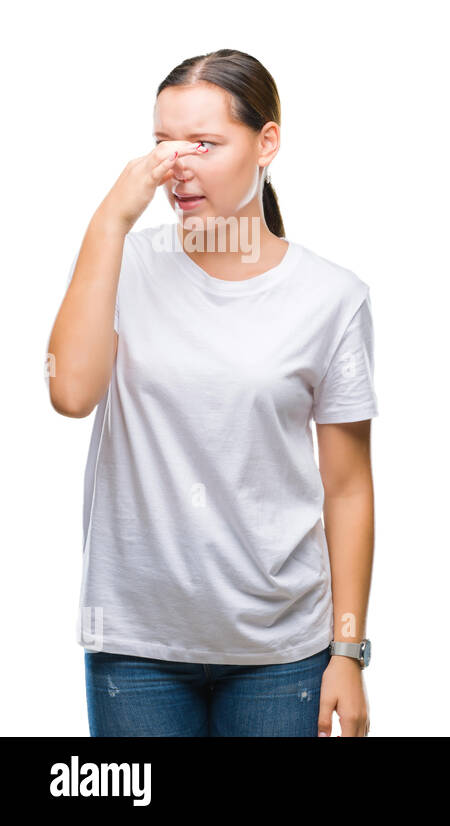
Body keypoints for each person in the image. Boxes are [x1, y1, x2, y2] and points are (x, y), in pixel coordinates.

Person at [46, 49, 377, 737]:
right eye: (164, 142)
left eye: (204, 142)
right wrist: (111, 221)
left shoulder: (332, 298)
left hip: (280, 653)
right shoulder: (123, 264)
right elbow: (71, 394)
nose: (178, 165)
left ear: (267, 144)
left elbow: (347, 489)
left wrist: (347, 652)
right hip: (137, 644)